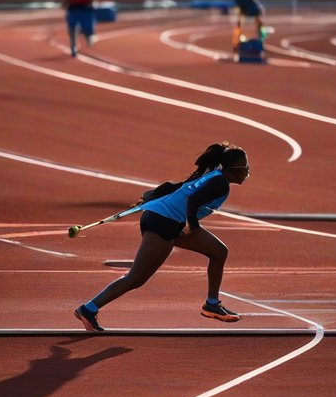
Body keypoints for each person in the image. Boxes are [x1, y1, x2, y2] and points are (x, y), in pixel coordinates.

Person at [74, 142, 251, 332]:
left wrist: (151, 195)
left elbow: (175, 187)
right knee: (135, 278)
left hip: (164, 220)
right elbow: (192, 200)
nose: (246, 174)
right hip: (164, 222)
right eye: (245, 170)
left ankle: (212, 304)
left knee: (218, 252)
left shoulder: (211, 177)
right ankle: (88, 309)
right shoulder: (219, 182)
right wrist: (192, 225)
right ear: (234, 170)